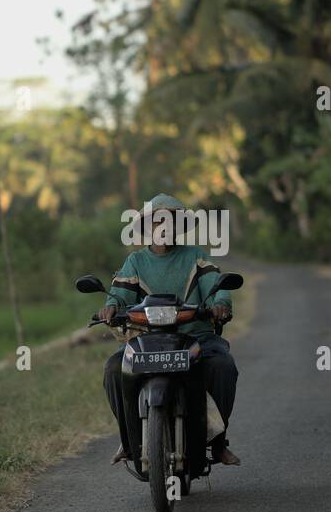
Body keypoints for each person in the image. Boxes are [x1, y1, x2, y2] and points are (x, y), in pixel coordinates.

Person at [99, 193, 240, 473]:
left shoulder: (196, 256)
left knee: (223, 366)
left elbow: (217, 286)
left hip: (196, 337)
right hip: (146, 340)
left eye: (169, 221)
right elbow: (118, 295)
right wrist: (111, 307)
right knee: (114, 368)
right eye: (157, 221)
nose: (163, 227)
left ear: (177, 226)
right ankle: (129, 440)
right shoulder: (135, 262)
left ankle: (218, 442)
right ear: (147, 227)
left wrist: (220, 304)